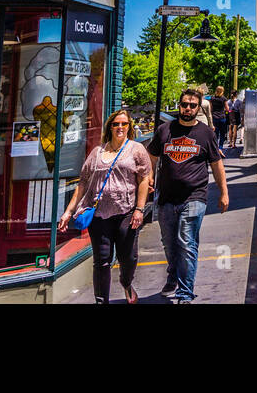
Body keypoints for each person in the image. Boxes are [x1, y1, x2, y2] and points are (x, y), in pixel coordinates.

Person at [58, 109, 152, 304]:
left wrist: (139, 209)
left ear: (129, 127)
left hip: (126, 213)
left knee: (129, 259)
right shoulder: (98, 152)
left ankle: (126, 283)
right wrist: (68, 211)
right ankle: (102, 301)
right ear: (110, 127)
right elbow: (83, 183)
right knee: (101, 261)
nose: (120, 127)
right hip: (99, 215)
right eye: (116, 124)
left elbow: (144, 180)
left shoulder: (136, 149)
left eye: (124, 124)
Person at [148, 88, 229, 303]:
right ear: (179, 105)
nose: (188, 108)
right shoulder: (164, 130)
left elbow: (216, 164)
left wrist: (224, 193)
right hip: (166, 197)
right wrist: (148, 178)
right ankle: (173, 275)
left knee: (186, 241)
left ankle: (185, 292)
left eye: (193, 105)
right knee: (169, 242)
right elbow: (152, 157)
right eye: (185, 104)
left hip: (195, 196)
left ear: (199, 107)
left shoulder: (205, 134)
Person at [209, 85, 231, 149]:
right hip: (222, 118)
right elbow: (227, 109)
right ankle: (220, 148)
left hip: (214, 117)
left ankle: (215, 147)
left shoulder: (212, 98)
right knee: (222, 134)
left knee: (215, 134)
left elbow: (210, 108)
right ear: (222, 91)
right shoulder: (224, 99)